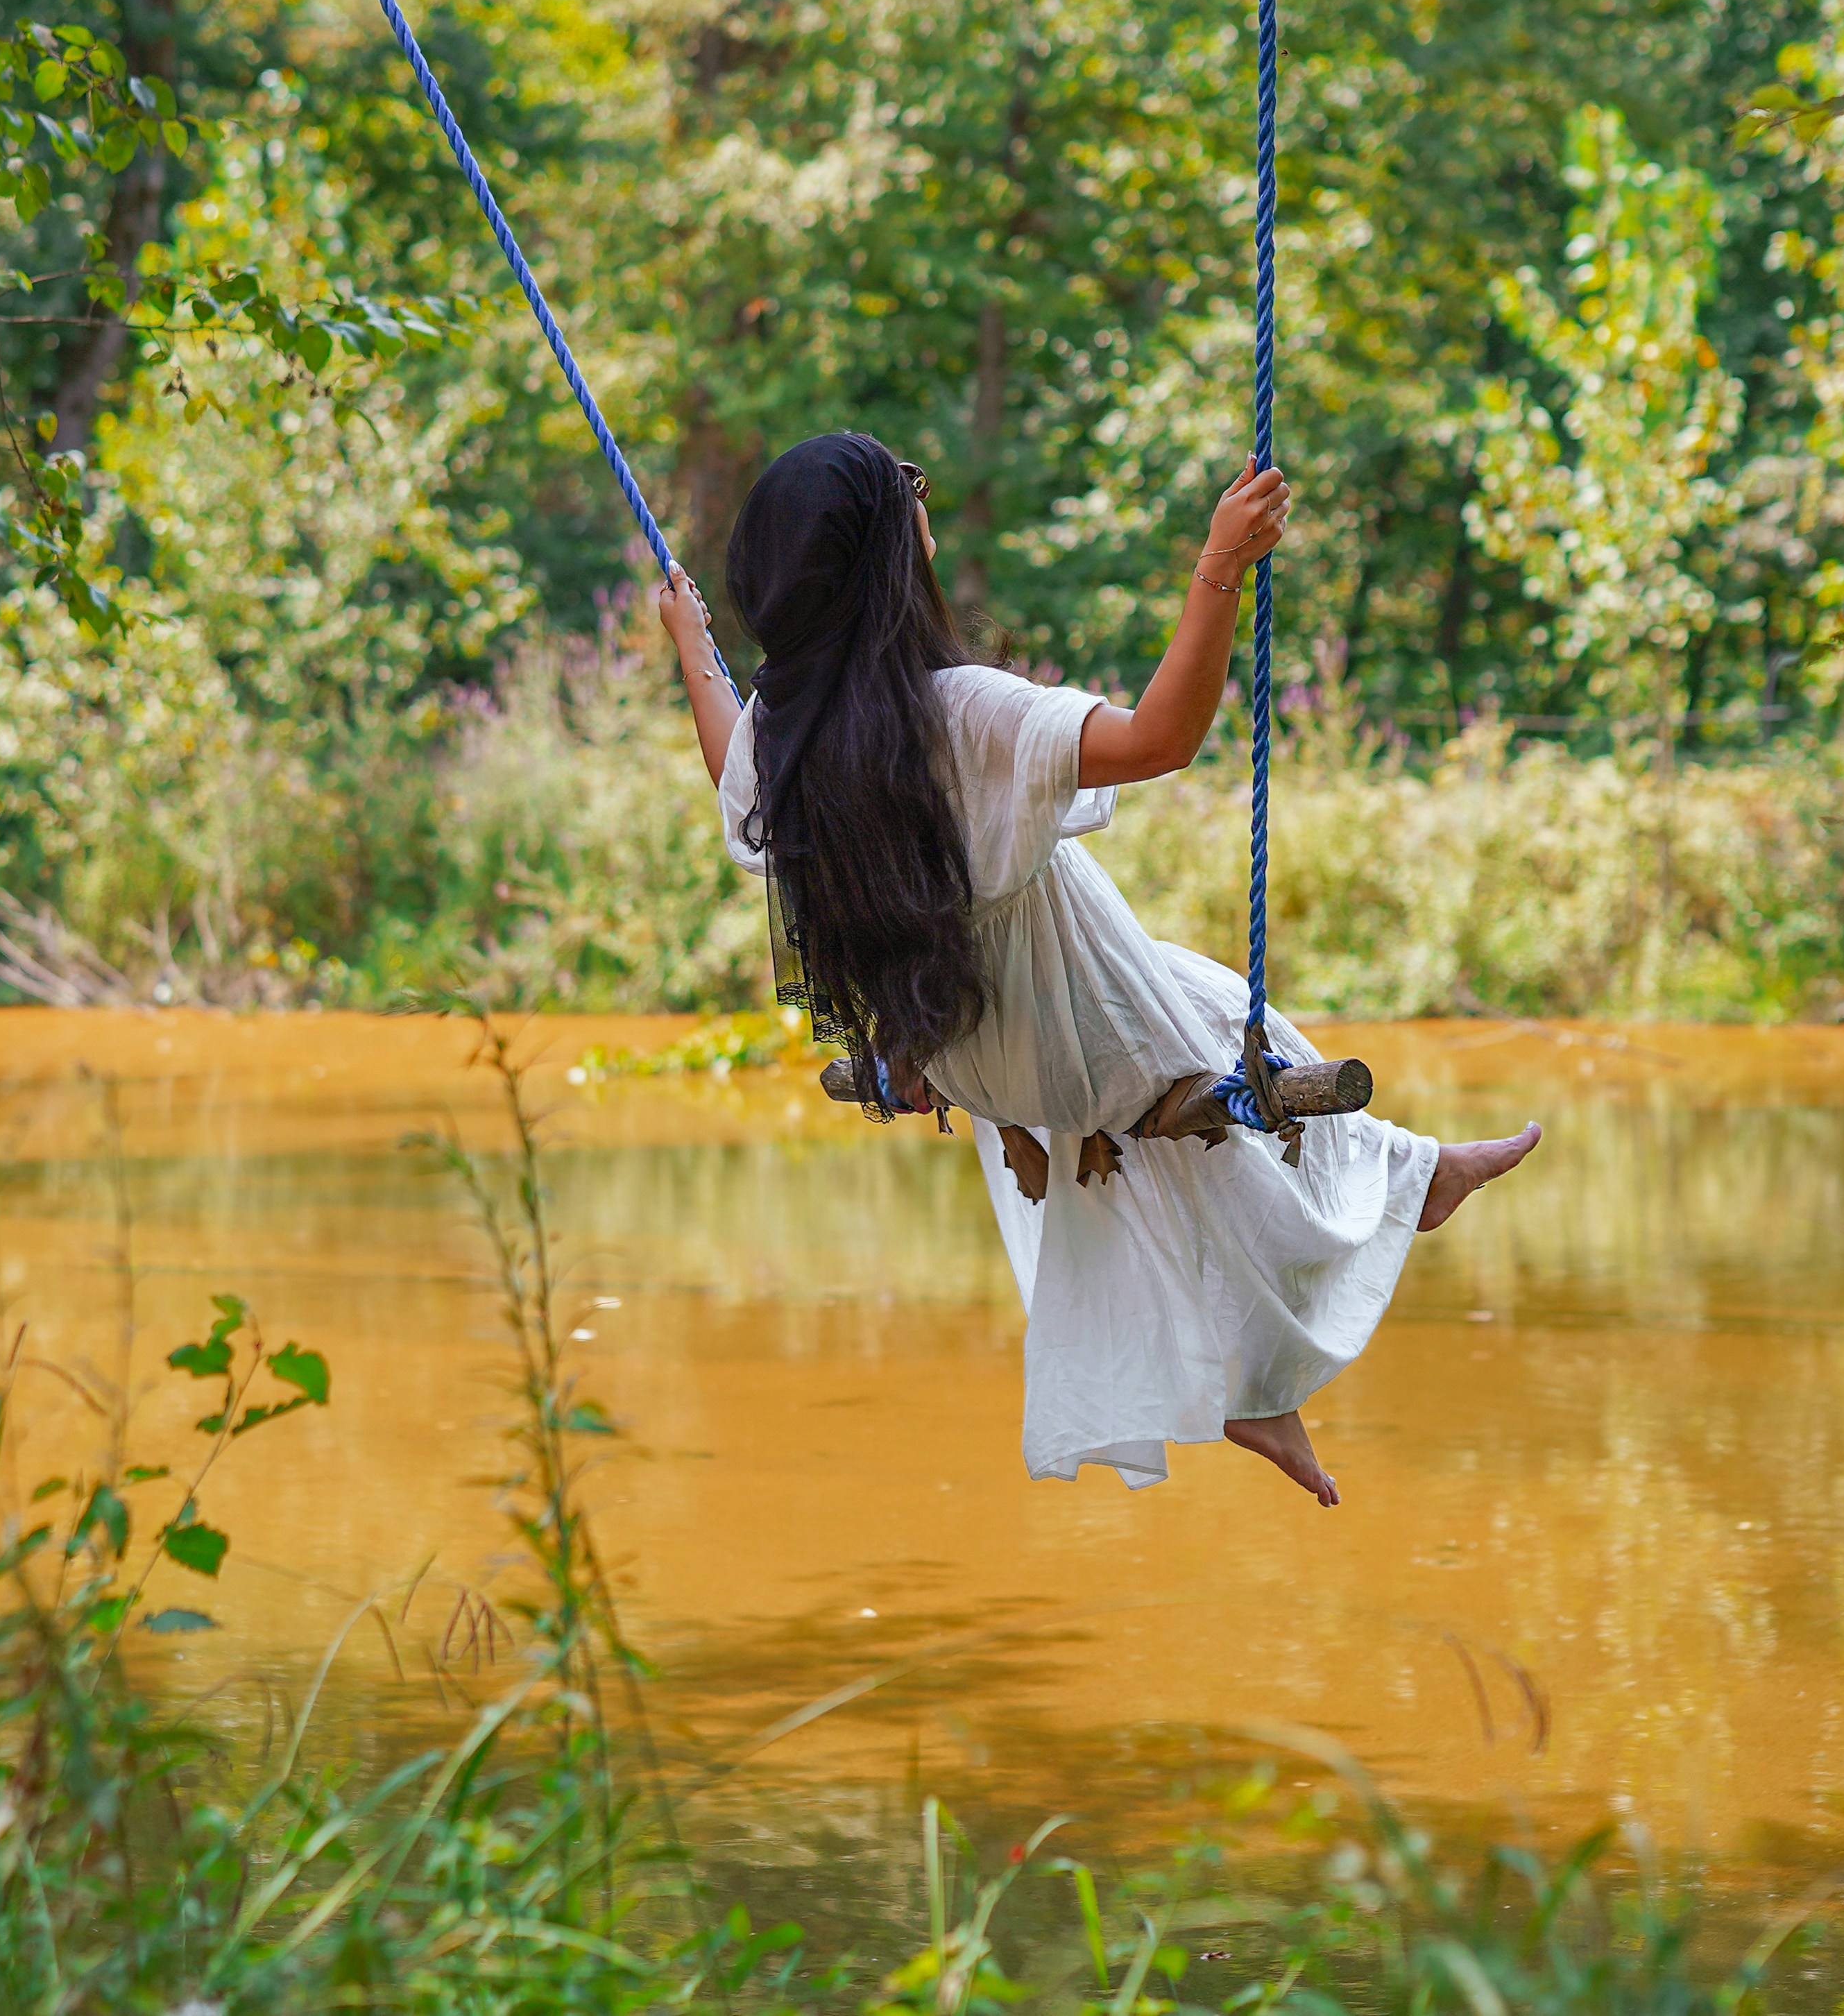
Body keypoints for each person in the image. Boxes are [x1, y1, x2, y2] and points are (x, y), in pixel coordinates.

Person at [654, 430, 1538, 1505]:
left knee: (1191, 1017)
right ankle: (1405, 1184)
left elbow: (726, 762)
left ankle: (1273, 1366)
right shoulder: (965, 712)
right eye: (911, 488)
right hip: (1084, 1052)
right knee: (1212, 1031)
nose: (925, 497)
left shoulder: (788, 740)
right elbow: (1163, 737)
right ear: (891, 549)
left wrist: (691, 646)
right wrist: (1217, 569)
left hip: (974, 1069)